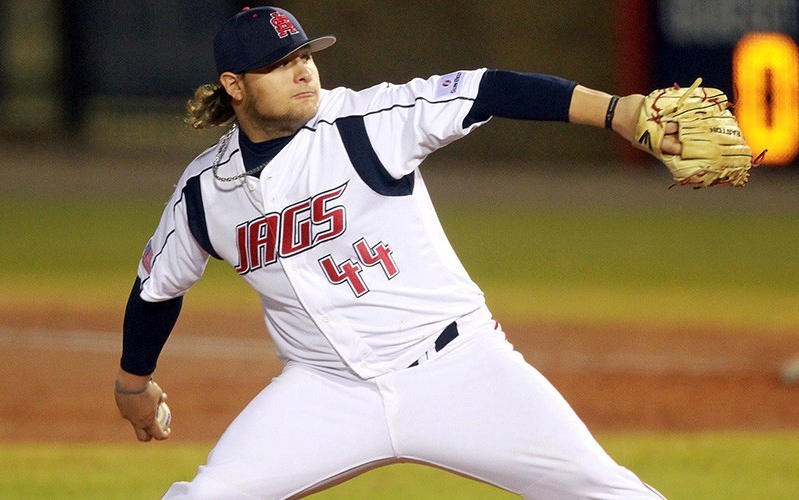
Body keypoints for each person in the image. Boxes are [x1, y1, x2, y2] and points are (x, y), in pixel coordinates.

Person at [115, 6, 675, 499]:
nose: (303, 71)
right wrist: (133, 385)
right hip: (324, 391)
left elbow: (488, 89)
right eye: (280, 64)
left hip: (459, 369)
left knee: (602, 490)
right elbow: (156, 290)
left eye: (304, 55)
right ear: (234, 86)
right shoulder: (205, 190)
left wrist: (619, 112)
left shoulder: (365, 123)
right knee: (207, 495)